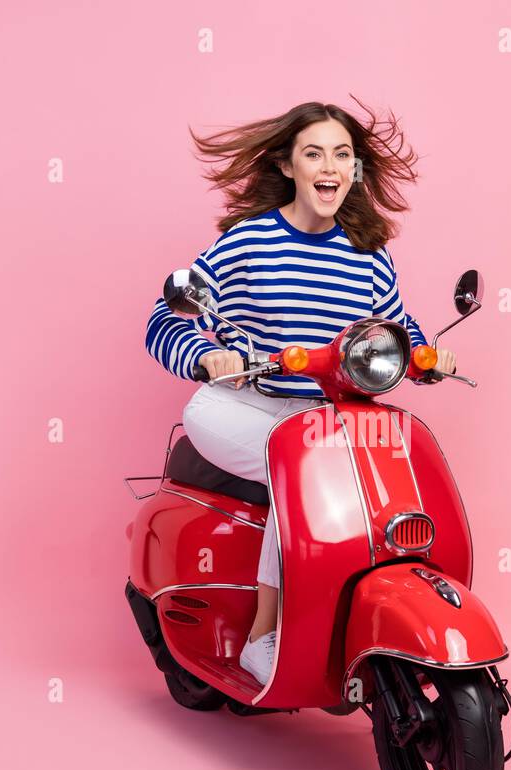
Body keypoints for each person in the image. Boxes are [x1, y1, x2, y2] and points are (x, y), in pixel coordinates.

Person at [144, 98, 455, 686]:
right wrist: (206, 355)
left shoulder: (368, 256)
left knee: (355, 481)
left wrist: (422, 357)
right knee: (303, 477)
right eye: (314, 153)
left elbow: (394, 330)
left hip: (328, 418)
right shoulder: (248, 242)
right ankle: (265, 639)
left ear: (354, 171)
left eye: (342, 154)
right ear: (289, 166)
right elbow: (164, 320)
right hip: (242, 403)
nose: (329, 165)